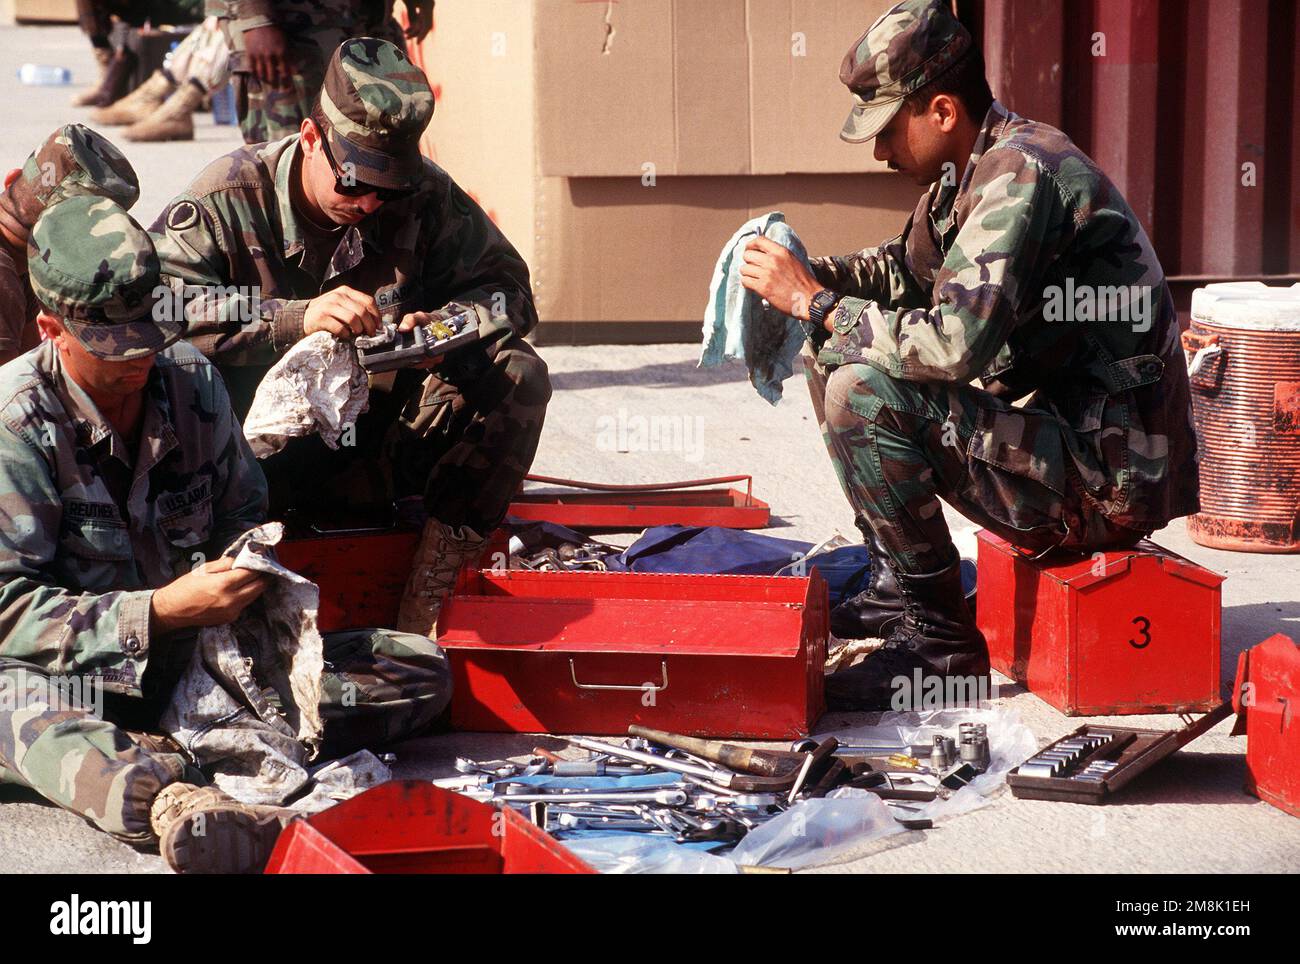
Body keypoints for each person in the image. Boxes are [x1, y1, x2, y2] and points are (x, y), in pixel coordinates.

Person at [738, 0, 1199, 709]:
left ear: (943, 112)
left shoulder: (1021, 174)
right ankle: (900, 583)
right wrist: (808, 276)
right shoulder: (969, 172)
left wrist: (815, 302)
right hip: (1069, 440)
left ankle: (941, 646)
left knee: (863, 388)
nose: (880, 152)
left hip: (1112, 476)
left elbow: (953, 344)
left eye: (887, 130)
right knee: (833, 350)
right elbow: (905, 270)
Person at [0, 197, 451, 873]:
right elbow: (8, 611)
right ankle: (173, 802)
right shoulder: (16, 426)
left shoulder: (189, 380)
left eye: (150, 336)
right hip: (79, 682)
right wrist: (158, 611)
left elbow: (244, 512)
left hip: (202, 665)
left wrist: (246, 571)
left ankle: (172, 746)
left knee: (418, 668)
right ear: (51, 329)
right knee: (10, 704)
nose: (140, 361)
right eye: (116, 348)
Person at [152, 36, 550, 638]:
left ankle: (436, 580)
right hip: (242, 455)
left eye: (388, 189)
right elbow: (154, 312)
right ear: (311, 138)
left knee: (515, 371)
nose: (368, 203)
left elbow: (509, 289)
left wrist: (446, 328)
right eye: (354, 183)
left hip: (375, 440)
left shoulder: (424, 195)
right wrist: (294, 318)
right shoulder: (226, 198)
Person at [0, 124, 141, 366]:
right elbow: (10, 384)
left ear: (11, 178)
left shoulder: (21, 260)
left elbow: (28, 364)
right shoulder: (5, 275)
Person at [210, 0, 432, 144]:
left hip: (366, 15)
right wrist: (256, 19)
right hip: (286, 24)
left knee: (379, 151)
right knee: (293, 156)